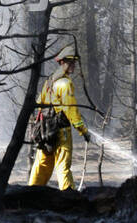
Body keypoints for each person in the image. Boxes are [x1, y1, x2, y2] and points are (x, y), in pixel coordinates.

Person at [29, 45, 91, 191]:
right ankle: (69, 197)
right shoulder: (65, 83)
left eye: (74, 61)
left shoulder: (49, 81)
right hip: (61, 131)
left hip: (45, 132)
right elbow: (71, 109)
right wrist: (83, 130)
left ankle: (30, 194)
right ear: (62, 62)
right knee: (63, 166)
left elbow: (39, 103)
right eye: (70, 62)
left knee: (41, 165)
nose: (73, 65)